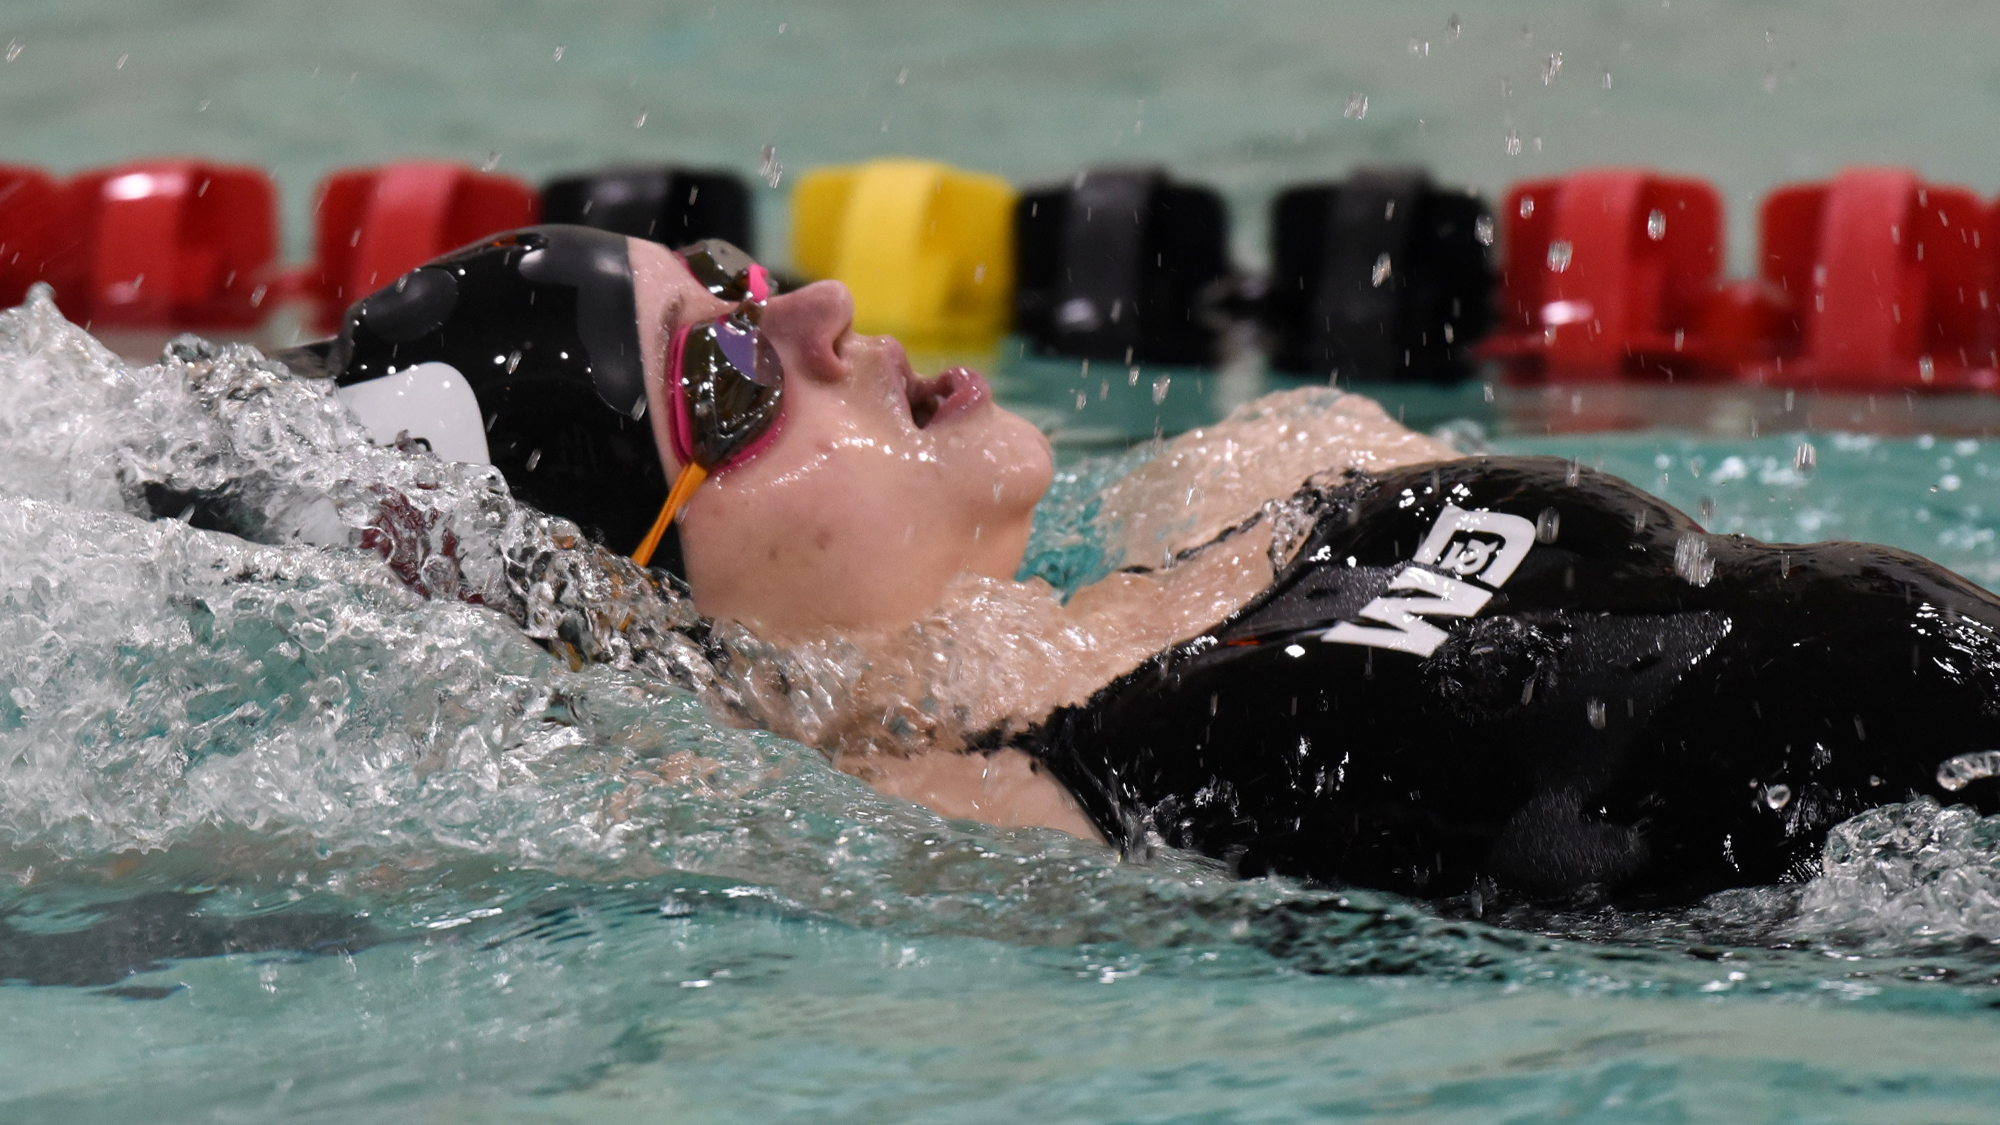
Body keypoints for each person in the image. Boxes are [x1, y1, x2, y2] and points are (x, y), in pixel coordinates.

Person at [300, 225, 2000, 909]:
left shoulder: (1249, 476)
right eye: (726, 384)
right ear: (636, 609)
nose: (811, 316)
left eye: (741, 278)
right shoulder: (974, 817)